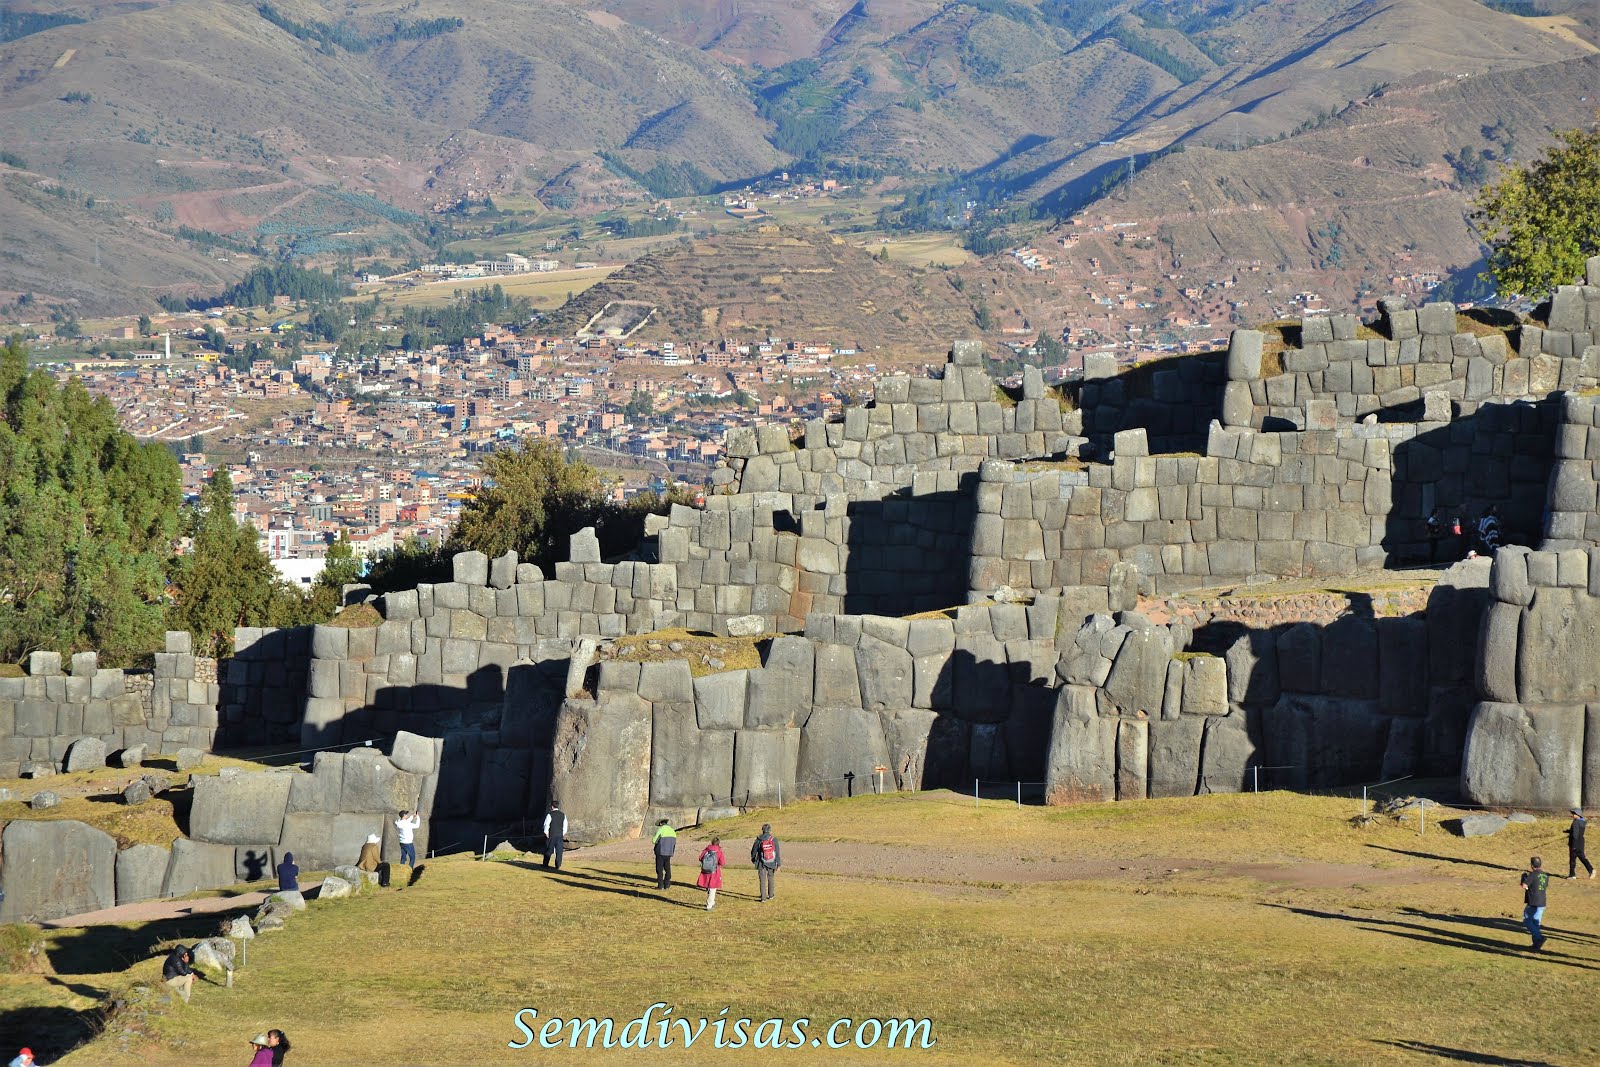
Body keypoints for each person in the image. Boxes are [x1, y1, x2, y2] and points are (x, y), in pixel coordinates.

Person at [1520, 856, 1550, 951]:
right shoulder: (1545, 875)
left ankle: (1539, 938)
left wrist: (1523, 879)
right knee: (1536, 923)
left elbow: (1524, 885)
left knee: (1527, 920)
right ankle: (1536, 945)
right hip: (1542, 902)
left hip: (1533, 902)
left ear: (1532, 866)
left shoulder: (1533, 874)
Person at [751, 823, 781, 902]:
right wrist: (779, 864)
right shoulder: (774, 839)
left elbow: (753, 851)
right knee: (771, 878)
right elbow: (777, 852)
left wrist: (753, 859)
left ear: (762, 830)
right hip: (772, 862)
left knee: (762, 880)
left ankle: (763, 898)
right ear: (770, 830)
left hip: (761, 862)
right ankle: (771, 895)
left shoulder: (759, 839)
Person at [696, 836, 725, 911]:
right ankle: (709, 905)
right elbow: (722, 862)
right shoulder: (719, 851)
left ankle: (712, 902)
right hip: (714, 871)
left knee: (709, 887)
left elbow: (700, 858)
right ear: (718, 843)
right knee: (713, 888)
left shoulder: (707, 849)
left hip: (705, 871)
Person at [651, 819, 677, 890]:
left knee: (659, 869)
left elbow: (654, 841)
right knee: (667, 869)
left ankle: (660, 886)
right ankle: (667, 885)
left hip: (660, 851)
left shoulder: (661, 829)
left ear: (661, 823)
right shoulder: (672, 830)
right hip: (669, 852)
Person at [1569, 808, 1594, 880]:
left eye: (1574, 814)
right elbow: (1578, 832)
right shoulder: (1582, 822)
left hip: (1575, 843)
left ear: (1578, 815)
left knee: (1573, 859)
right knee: (1580, 858)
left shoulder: (1576, 822)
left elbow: (1575, 835)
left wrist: (1573, 845)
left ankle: (1572, 875)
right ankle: (1590, 870)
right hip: (1581, 842)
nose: (1573, 815)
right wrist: (1569, 831)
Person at [542, 802, 567, 871]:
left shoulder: (550, 815)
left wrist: (546, 832)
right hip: (559, 835)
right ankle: (558, 865)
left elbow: (546, 824)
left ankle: (545, 864)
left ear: (552, 807)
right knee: (559, 851)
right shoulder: (563, 815)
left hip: (551, 834)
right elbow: (565, 827)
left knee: (549, 849)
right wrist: (562, 834)